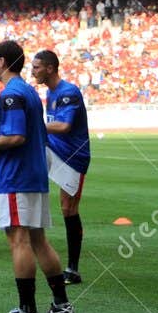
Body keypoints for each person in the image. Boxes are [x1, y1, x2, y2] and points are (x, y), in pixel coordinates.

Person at [0, 41, 72, 313]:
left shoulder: (11, 94)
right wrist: (0, 160)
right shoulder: (30, 92)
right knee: (38, 239)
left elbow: (16, 137)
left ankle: (27, 310)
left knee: (18, 240)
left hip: (17, 179)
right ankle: (61, 303)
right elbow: (32, 137)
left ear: (3, 61)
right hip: (32, 173)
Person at [32, 50, 90, 285]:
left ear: (50, 68)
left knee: (68, 209)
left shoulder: (68, 92)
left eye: (36, 67)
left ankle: (73, 269)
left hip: (73, 156)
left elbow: (64, 125)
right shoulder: (50, 92)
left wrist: (34, 125)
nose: (33, 71)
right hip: (54, 150)